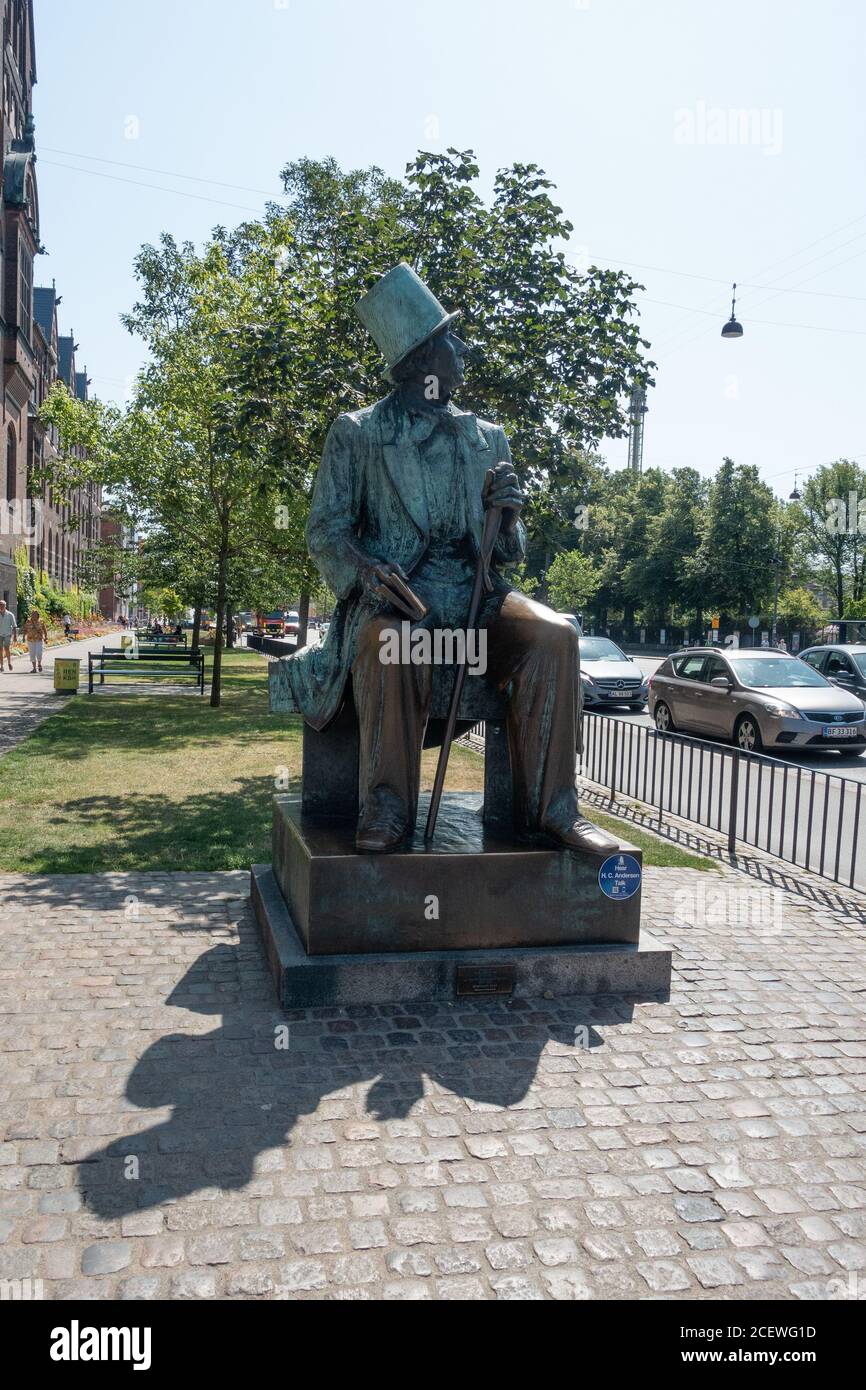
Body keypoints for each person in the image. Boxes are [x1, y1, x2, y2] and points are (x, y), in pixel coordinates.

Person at [283, 262, 617, 856]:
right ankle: (387, 805)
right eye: (449, 340)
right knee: (391, 645)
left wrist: (508, 516)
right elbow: (326, 532)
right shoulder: (358, 434)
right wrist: (367, 572)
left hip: (477, 600)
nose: (463, 349)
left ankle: (556, 811)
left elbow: (507, 557)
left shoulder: (487, 437)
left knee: (556, 635)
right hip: (401, 602)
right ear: (419, 361)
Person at [0, 599, 17, 672]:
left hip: (7, 634)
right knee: (0, 650)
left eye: (2, 605)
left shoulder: (10, 615)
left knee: (7, 649)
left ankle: (9, 663)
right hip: (0, 634)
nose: (1, 606)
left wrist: (15, 636)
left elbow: (14, 626)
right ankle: (1, 666)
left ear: (5, 606)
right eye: (0, 605)